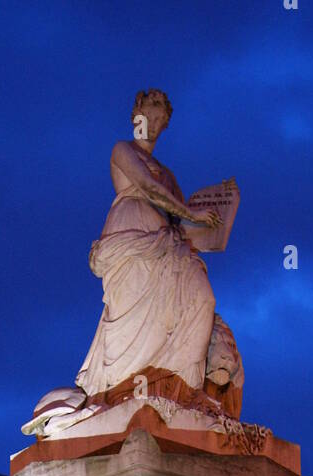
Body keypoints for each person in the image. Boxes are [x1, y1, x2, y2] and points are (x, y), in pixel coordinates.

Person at [75, 89, 243, 417]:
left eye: (159, 120)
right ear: (135, 115)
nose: (152, 123)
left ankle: (184, 389)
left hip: (170, 247)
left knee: (203, 300)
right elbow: (150, 190)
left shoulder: (168, 174)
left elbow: (183, 224)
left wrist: (221, 205)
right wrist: (193, 214)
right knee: (131, 315)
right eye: (147, 115)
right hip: (132, 241)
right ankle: (123, 391)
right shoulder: (123, 150)